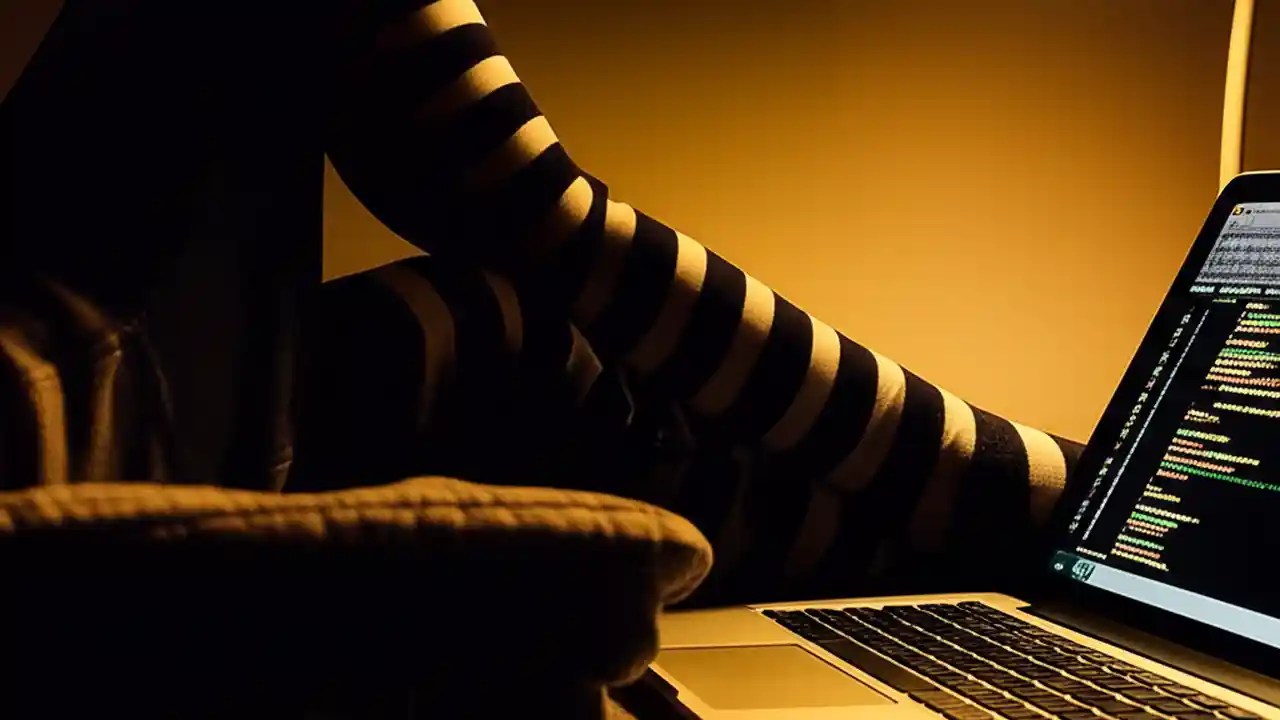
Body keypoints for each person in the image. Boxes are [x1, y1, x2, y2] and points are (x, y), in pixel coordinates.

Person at [1, 0, 1081, 605]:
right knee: (527, 285)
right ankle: (1011, 500)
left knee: (504, 334)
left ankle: (993, 515)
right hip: (51, 422)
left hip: (81, 401)